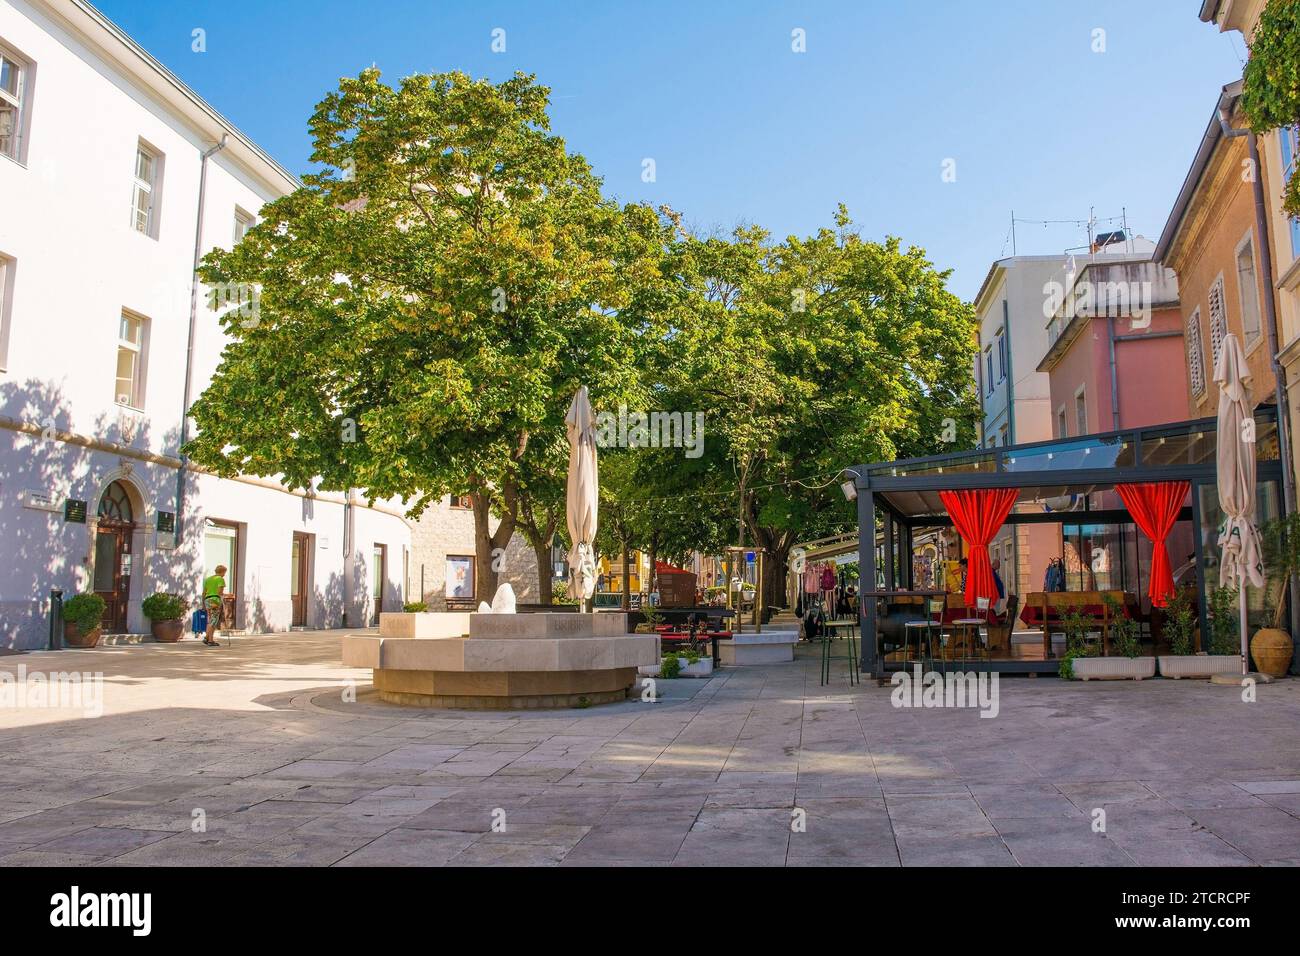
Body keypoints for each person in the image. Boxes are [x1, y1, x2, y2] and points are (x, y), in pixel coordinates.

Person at [202, 565, 226, 647]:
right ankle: (210, 640)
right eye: (224, 572)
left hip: (207, 600)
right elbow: (220, 592)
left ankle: (206, 637)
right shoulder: (220, 579)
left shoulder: (208, 579)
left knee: (210, 619)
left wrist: (203, 603)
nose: (224, 574)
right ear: (222, 572)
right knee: (214, 620)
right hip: (215, 600)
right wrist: (223, 597)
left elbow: (204, 593)